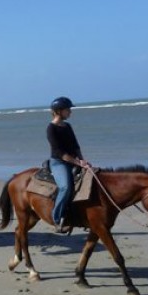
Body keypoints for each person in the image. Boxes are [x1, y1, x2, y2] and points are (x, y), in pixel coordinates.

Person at [47, 96, 91, 234]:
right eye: (68, 110)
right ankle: (56, 218)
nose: (70, 112)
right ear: (59, 111)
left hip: (74, 160)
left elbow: (75, 146)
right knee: (65, 187)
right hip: (59, 163)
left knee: (91, 180)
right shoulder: (51, 128)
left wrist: (83, 161)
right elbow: (60, 153)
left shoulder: (67, 126)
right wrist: (77, 162)